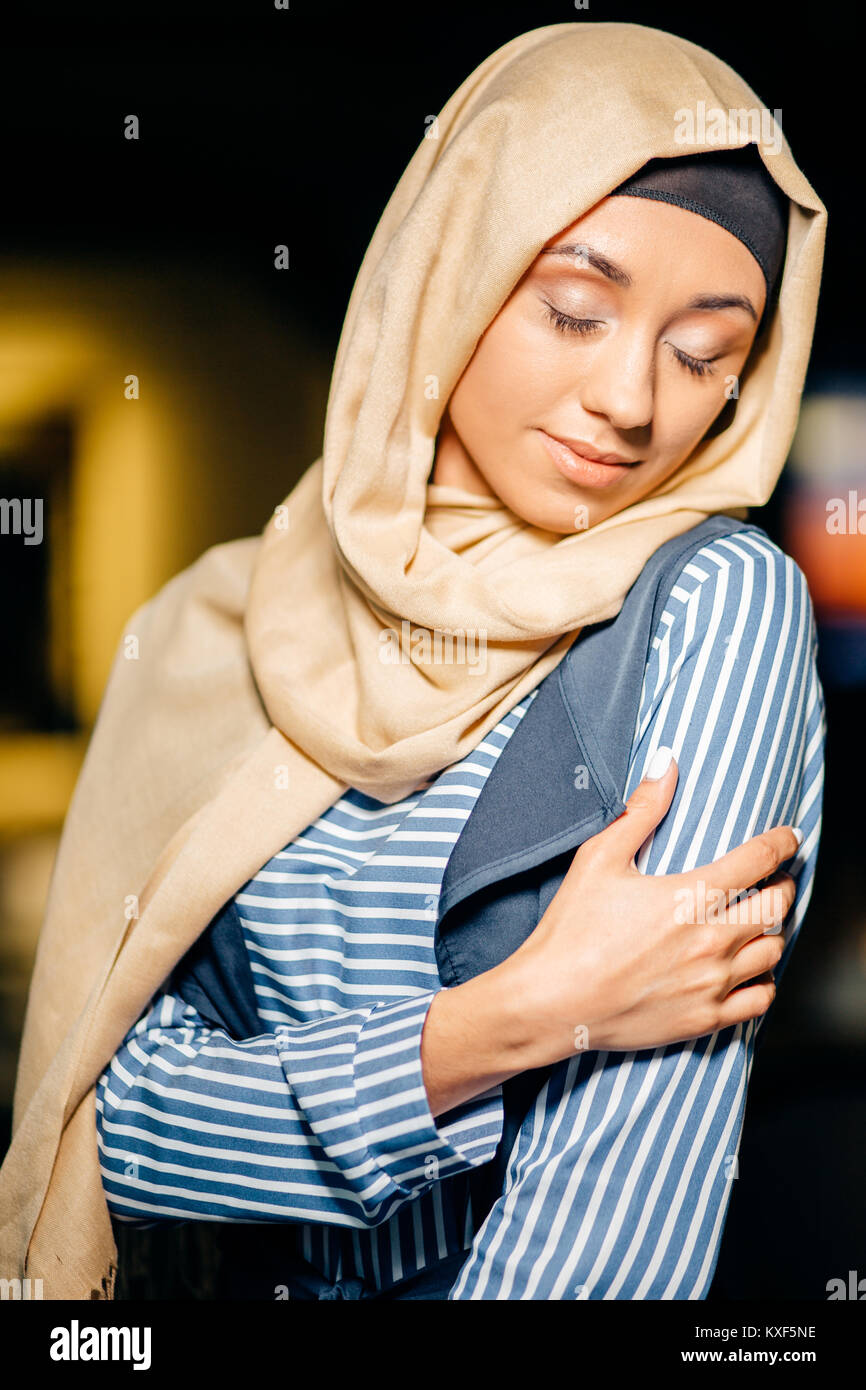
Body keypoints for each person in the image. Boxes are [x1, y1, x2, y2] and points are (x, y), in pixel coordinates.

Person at [0, 22, 826, 1301]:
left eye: (701, 353)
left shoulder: (714, 608)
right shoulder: (207, 626)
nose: (628, 398)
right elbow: (118, 1131)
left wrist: (280, 1107)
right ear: (447, 277)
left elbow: (613, 1217)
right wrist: (508, 1022)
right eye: (572, 309)